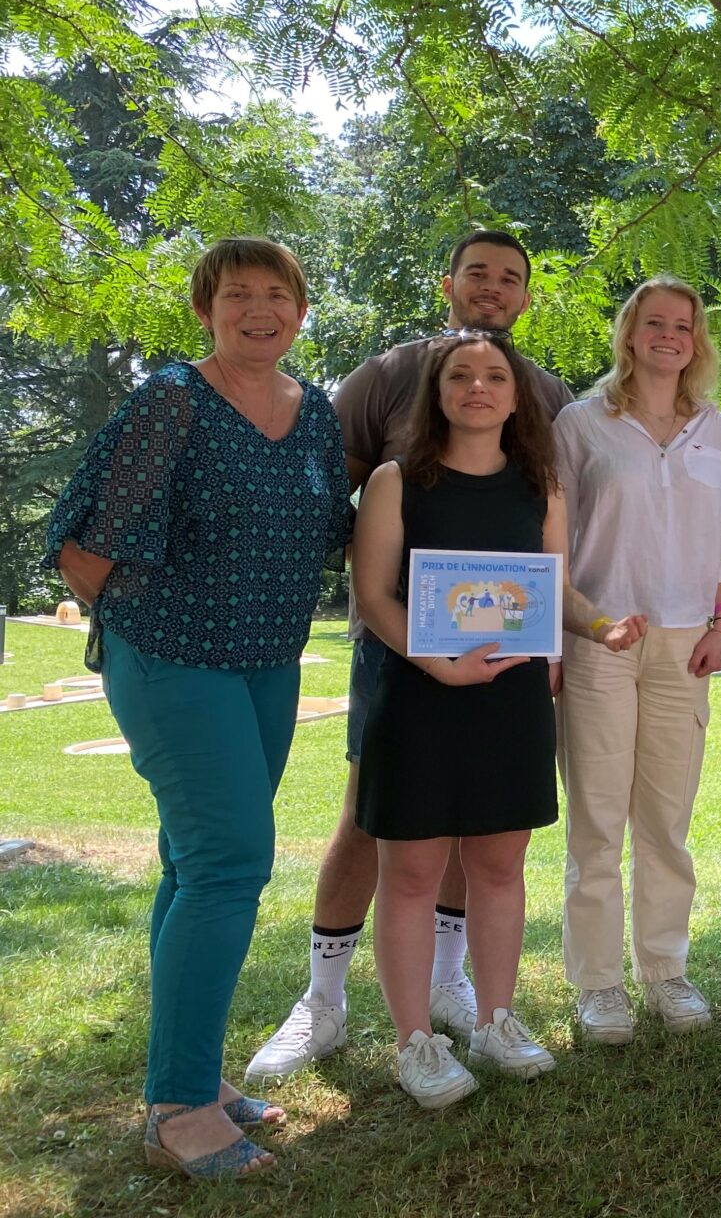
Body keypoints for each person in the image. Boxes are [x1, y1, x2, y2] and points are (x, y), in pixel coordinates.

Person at [46, 238, 354, 1178]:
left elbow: (337, 533)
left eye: (278, 296)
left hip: (269, 663)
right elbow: (84, 551)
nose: (259, 311)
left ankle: (190, 1076)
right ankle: (177, 1111)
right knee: (230, 861)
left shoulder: (317, 416)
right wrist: (149, 632)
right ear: (205, 309)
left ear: (301, 312)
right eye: (238, 296)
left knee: (192, 867)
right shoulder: (172, 400)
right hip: (173, 659)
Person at [247, 231, 573, 1082]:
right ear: (449, 282)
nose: (492, 290)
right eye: (477, 274)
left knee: (486, 840)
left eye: (510, 278)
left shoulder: (543, 398)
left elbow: (546, 558)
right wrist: (419, 645)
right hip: (405, 663)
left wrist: (563, 638)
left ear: (526, 297)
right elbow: (336, 493)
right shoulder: (391, 373)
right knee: (378, 824)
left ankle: (456, 991)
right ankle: (324, 1001)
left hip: (504, 675)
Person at [352, 330, 615, 1108]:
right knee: (410, 877)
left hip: (511, 701)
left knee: (500, 869)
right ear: (437, 391)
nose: (477, 386)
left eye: (494, 375)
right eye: (460, 375)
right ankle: (415, 1043)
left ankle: (498, 1021)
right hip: (418, 698)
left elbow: (557, 589)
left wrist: (601, 627)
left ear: (515, 394)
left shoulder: (542, 483)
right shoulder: (397, 481)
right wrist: (437, 661)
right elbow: (372, 598)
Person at [554, 278, 721, 1044]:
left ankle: (665, 971)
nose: (669, 336)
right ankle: (599, 986)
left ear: (696, 343)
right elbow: (553, 543)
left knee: (666, 820)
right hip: (603, 638)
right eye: (654, 323)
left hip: (685, 642)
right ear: (628, 335)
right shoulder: (581, 423)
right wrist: (582, 626)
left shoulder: (717, 429)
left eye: (683, 326)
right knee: (597, 820)